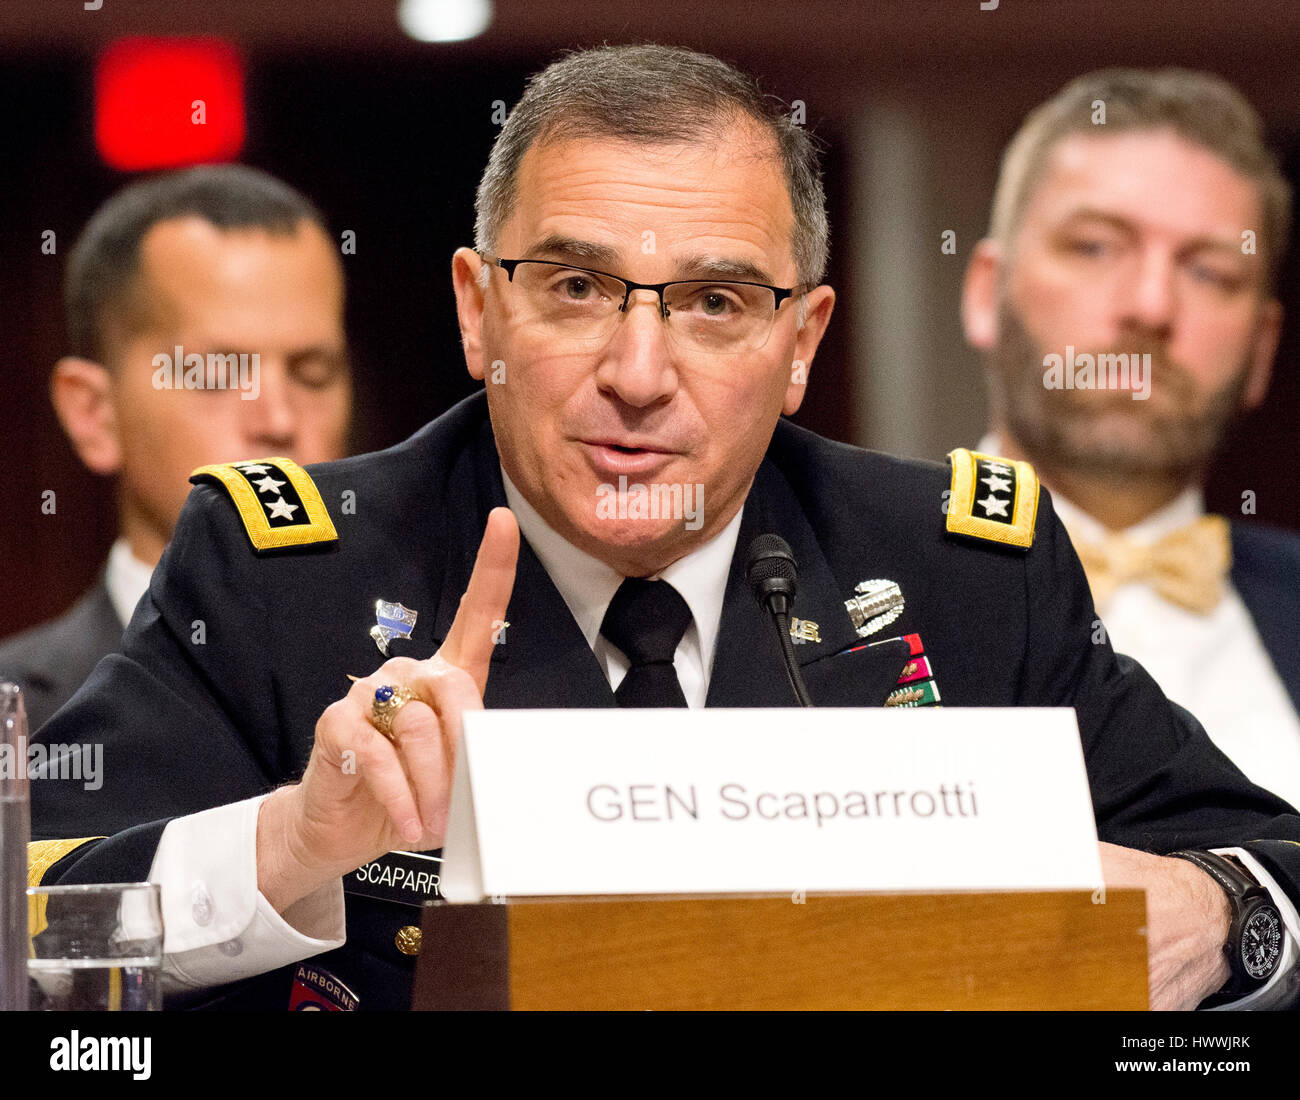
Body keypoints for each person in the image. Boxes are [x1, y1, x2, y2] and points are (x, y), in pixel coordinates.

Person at [29, 45, 1300, 1013]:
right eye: (576, 287)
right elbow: (34, 922)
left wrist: (1215, 904)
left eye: (715, 301)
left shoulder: (960, 567)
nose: (639, 370)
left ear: (801, 345)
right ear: (479, 312)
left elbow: (1267, 853)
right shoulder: (283, 573)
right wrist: (288, 842)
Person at [961, 69, 1300, 809]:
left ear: (1263, 347)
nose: (1151, 306)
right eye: (1094, 247)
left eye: (1210, 272)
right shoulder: (813, 579)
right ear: (987, 291)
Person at [0, 165, 353, 731]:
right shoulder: (16, 716)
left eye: (312, 374)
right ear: (94, 413)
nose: (279, 420)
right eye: (216, 374)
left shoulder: (428, 676)